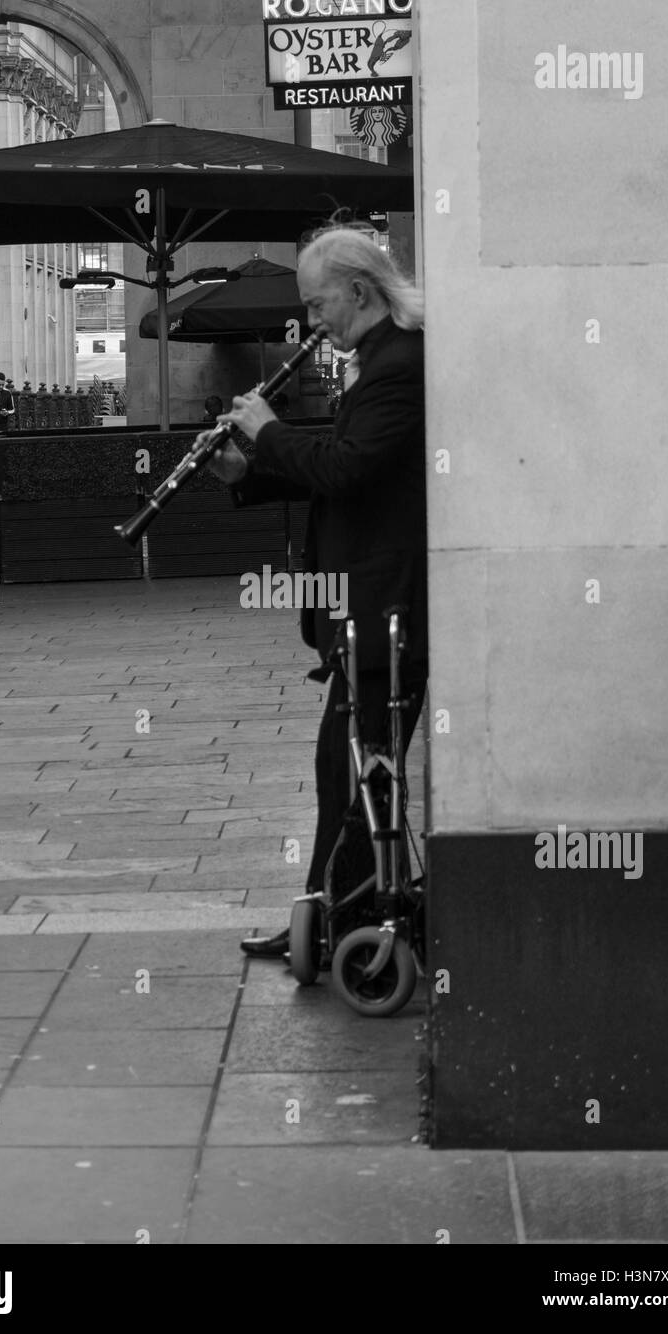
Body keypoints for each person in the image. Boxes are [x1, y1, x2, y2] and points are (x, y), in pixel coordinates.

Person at [196, 220, 427, 959]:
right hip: (365, 608)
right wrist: (250, 472)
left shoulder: (400, 364)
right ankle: (334, 915)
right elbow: (338, 467)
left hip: (387, 608)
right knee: (346, 771)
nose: (311, 320)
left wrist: (265, 432)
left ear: (359, 291)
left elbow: (348, 467)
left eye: (317, 303)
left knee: (356, 771)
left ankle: (341, 921)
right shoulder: (380, 360)